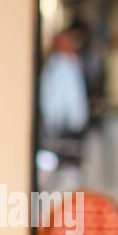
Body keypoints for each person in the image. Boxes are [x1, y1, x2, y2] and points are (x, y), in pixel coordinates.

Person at [39, 30, 90, 190]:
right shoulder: (58, 66)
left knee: (69, 172)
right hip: (60, 125)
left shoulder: (71, 64)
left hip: (69, 126)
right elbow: (55, 98)